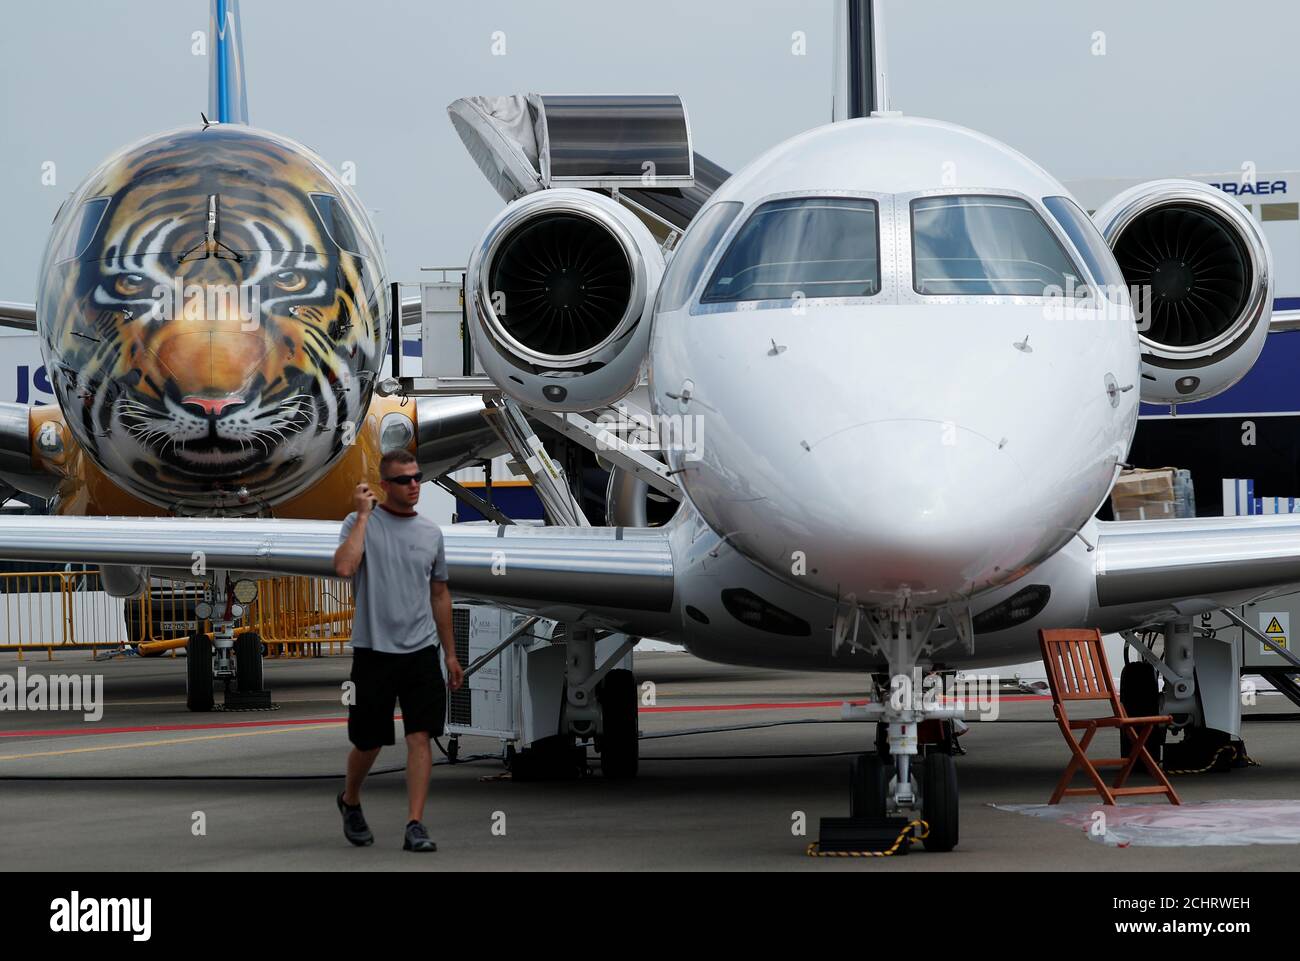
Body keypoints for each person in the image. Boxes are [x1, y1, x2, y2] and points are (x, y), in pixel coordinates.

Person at [332, 449, 465, 852]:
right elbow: (344, 568)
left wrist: (451, 654)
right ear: (384, 486)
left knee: (420, 736)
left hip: (420, 651)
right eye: (404, 479)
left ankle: (415, 824)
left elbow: (439, 593)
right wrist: (365, 517)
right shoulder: (359, 524)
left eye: (417, 477)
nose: (414, 485)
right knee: (369, 741)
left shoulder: (430, 533)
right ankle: (350, 799)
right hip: (374, 650)